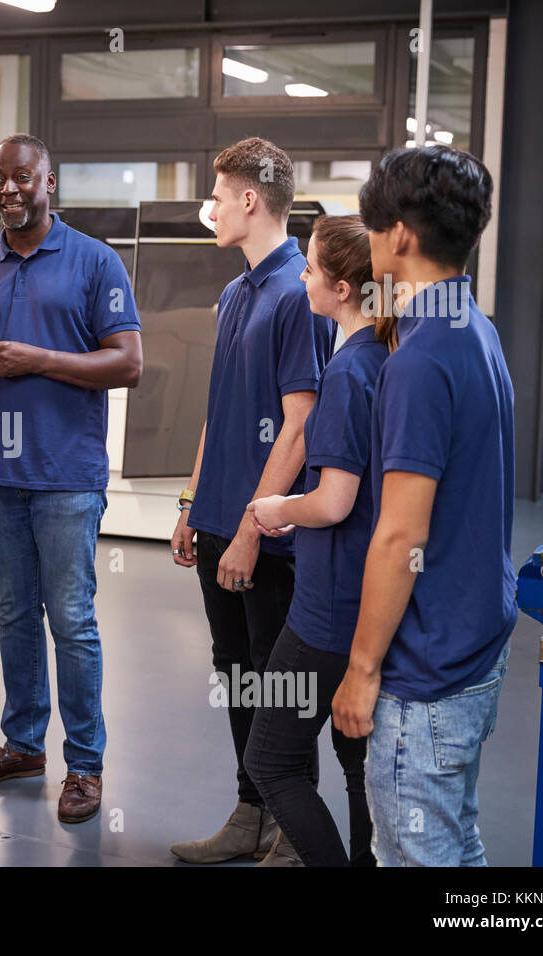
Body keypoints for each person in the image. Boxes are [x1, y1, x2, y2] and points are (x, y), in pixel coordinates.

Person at [0, 134, 142, 824]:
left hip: (68, 475)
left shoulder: (94, 262)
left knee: (72, 621)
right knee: (14, 615)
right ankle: (23, 744)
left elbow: (128, 361)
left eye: (23, 178)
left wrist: (39, 359)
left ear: (50, 184)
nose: (9, 189)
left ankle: (85, 765)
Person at [332, 145, 512, 867]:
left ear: (400, 236)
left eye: (374, 230)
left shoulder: (418, 361)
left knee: (417, 855)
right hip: (476, 649)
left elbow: (400, 532)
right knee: (457, 846)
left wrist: (362, 668)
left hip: (425, 677)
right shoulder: (477, 330)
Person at [170, 137, 334, 864]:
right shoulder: (236, 292)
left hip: (268, 532)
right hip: (217, 519)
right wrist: (192, 502)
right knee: (235, 668)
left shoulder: (302, 289)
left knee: (280, 680)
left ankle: (294, 828)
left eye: (216, 194)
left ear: (248, 199)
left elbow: (299, 426)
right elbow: (219, 410)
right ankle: (250, 812)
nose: (208, 209)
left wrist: (247, 528)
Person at [244, 215, 390, 867]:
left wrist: (276, 507)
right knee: (356, 764)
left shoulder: (349, 372)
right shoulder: (384, 359)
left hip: (327, 612)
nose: (301, 277)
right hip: (368, 600)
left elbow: (334, 501)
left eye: (309, 268)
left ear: (340, 288)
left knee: (271, 761)